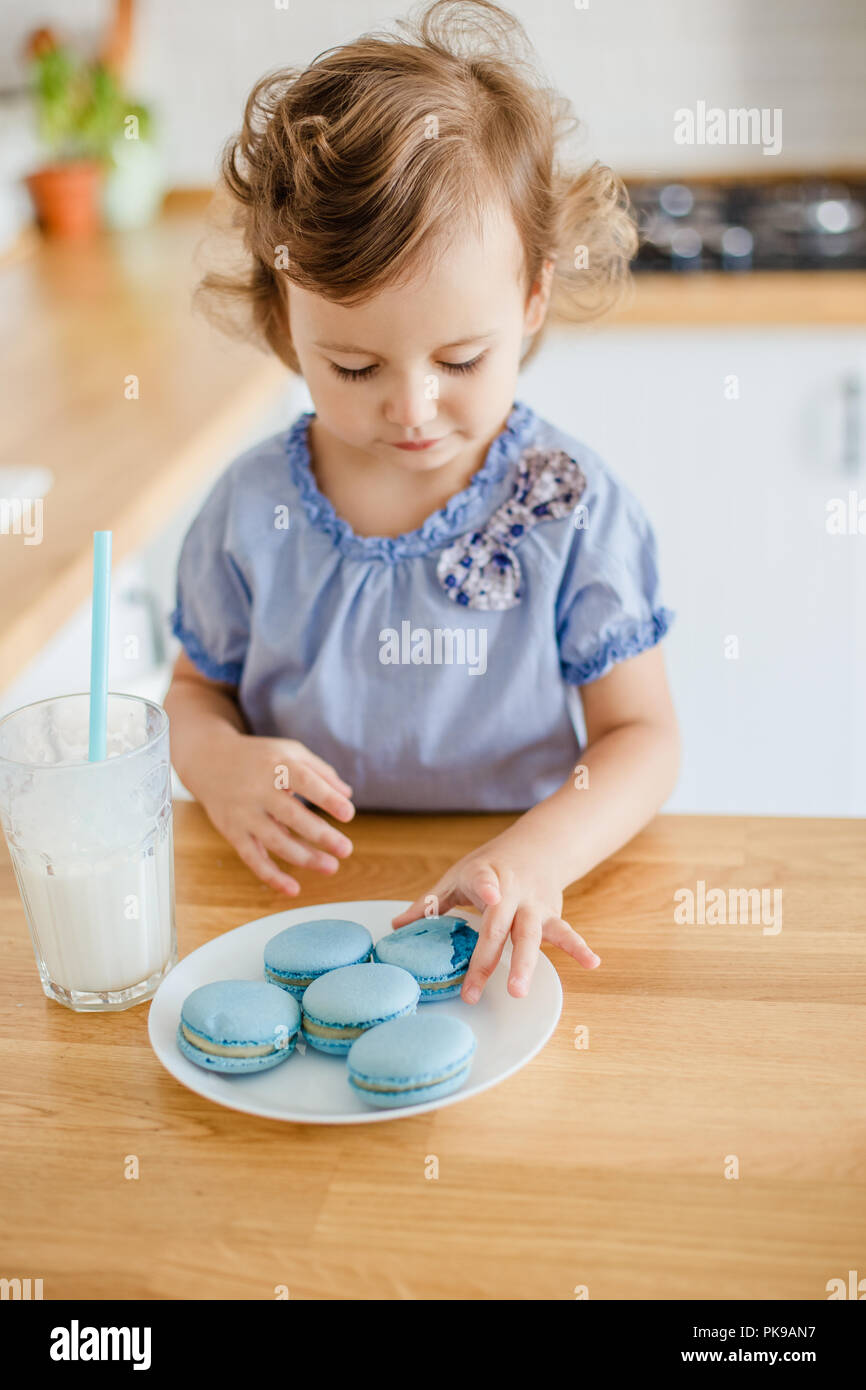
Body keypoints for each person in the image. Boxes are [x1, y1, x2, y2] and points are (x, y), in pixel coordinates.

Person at [164, 0, 680, 1004]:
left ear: (530, 298)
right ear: (284, 325)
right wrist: (218, 768)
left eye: (459, 358)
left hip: (506, 919)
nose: (411, 407)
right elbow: (193, 695)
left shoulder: (568, 509)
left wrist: (537, 858)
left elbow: (643, 739)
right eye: (352, 365)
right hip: (286, 905)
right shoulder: (249, 509)